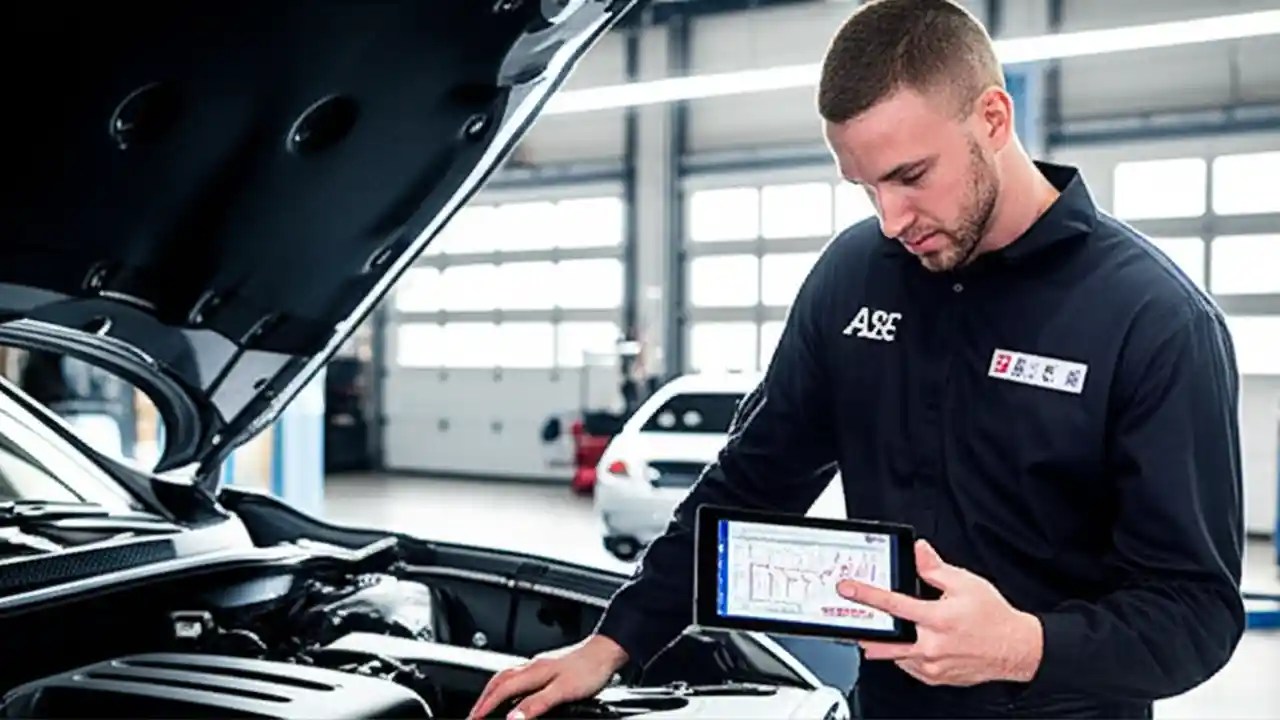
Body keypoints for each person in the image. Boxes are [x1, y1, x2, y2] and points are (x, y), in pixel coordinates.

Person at [468, 0, 1246, 717]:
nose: (892, 219)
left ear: (993, 117)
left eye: (911, 176)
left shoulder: (1153, 321)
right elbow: (752, 481)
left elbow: (1195, 614)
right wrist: (614, 641)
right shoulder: (854, 277)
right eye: (866, 187)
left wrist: (1022, 645)